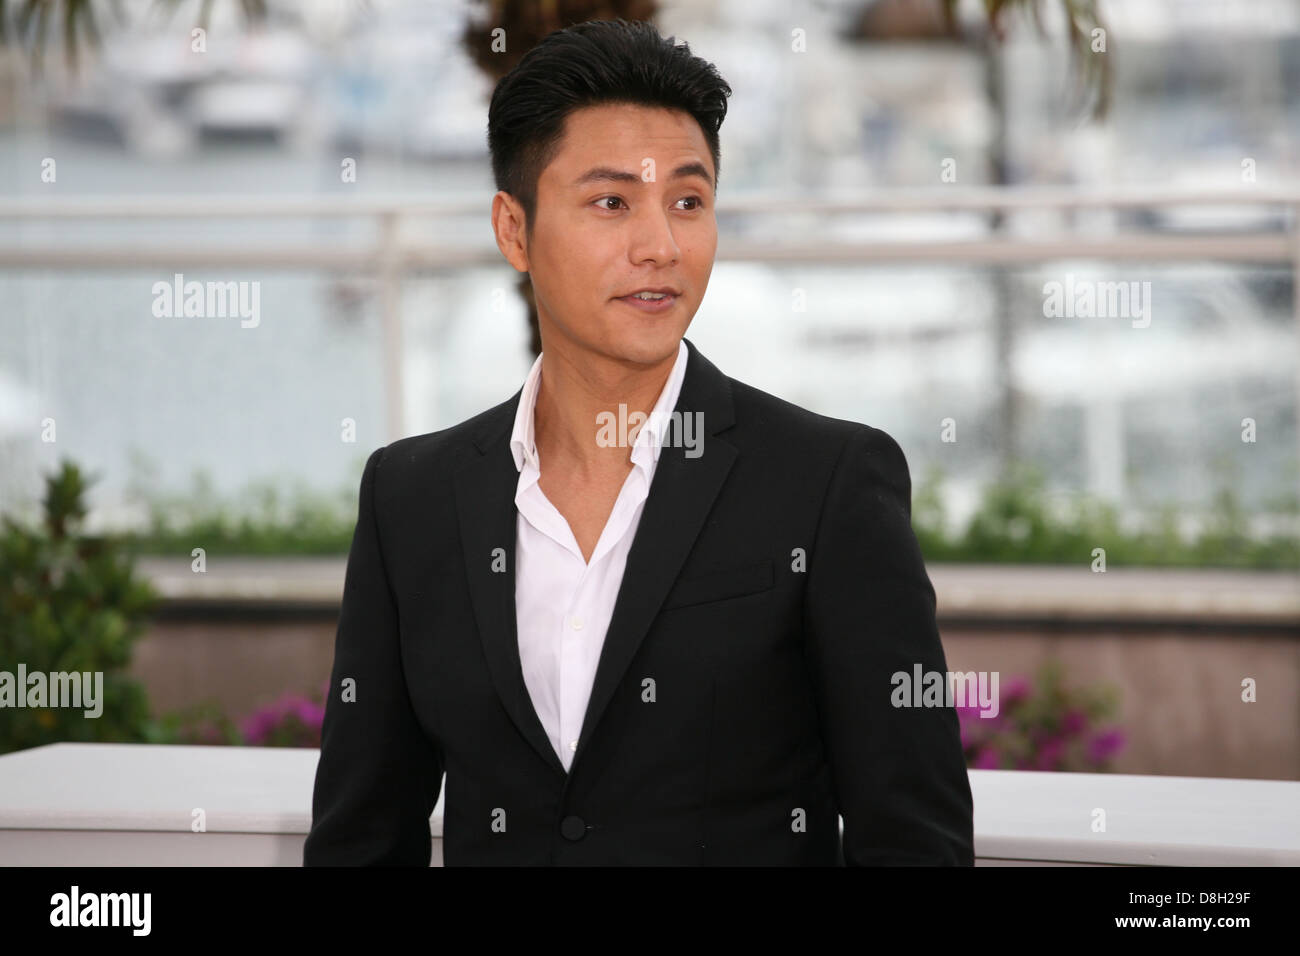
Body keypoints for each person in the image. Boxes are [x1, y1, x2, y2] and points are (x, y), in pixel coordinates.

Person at [304, 17, 973, 866]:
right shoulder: (412, 497)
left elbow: (915, 839)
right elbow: (362, 835)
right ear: (515, 230)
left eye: (688, 202)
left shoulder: (829, 484)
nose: (660, 246)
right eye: (611, 201)